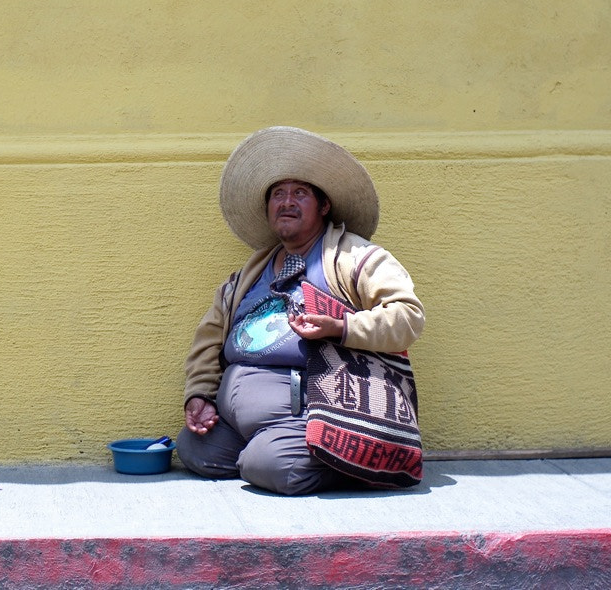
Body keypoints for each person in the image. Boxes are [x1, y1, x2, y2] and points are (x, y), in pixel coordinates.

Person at [177, 126, 425, 495]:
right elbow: (209, 338)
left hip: (316, 413)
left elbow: (408, 316)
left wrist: (342, 327)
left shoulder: (355, 258)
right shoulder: (248, 275)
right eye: (278, 194)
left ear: (324, 206)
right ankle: (266, 450)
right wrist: (199, 395)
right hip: (237, 417)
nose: (286, 202)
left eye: (300, 193)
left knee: (274, 468)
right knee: (193, 450)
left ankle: (340, 457)